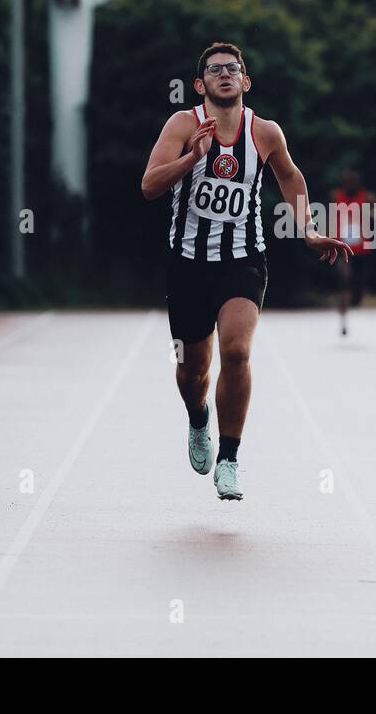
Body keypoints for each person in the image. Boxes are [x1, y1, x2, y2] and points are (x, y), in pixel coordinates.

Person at [141, 42, 352, 500]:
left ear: (245, 80)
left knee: (236, 351)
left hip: (243, 259)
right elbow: (150, 185)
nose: (224, 75)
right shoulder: (183, 124)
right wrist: (190, 160)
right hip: (188, 264)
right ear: (200, 85)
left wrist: (310, 229)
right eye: (214, 70)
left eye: (232, 69)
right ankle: (199, 418)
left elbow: (290, 177)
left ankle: (230, 458)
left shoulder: (266, 132)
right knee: (192, 371)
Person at [330, 170, 376, 336]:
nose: (350, 185)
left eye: (353, 182)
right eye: (347, 182)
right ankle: (343, 319)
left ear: (358, 184)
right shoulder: (335, 196)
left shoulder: (368, 198)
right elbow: (328, 219)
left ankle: (357, 296)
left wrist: (374, 217)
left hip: (362, 250)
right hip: (343, 249)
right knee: (343, 279)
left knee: (358, 288)